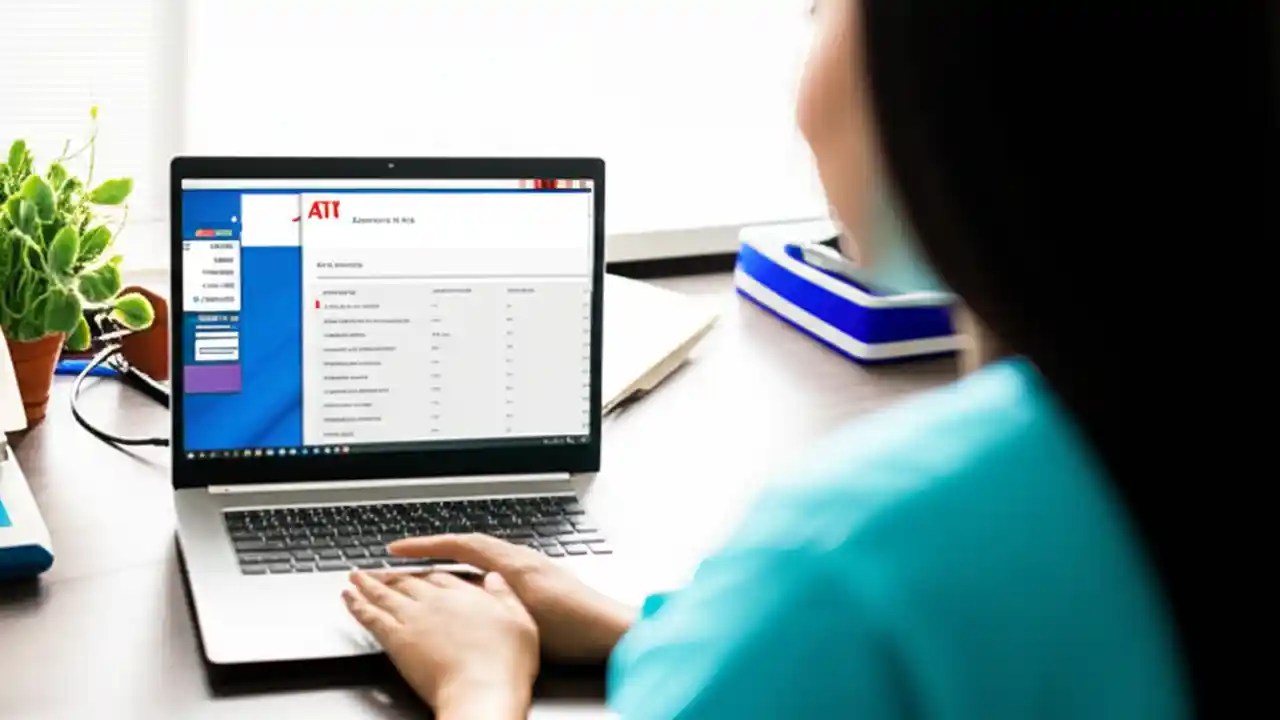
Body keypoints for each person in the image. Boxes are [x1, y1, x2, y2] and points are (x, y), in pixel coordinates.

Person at [340, 1, 1269, 717]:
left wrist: (479, 682)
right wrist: (653, 634)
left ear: (952, 79)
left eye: (824, 9)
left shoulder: (849, 560)